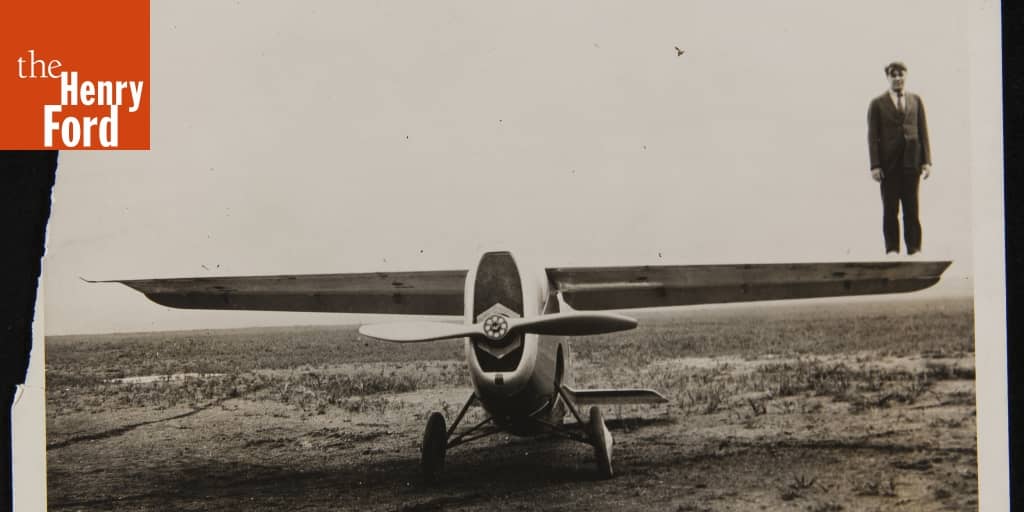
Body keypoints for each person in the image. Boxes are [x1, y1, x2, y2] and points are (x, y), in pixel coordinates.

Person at [867, 61, 931, 255]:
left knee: (912, 209)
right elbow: (872, 137)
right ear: (887, 77)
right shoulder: (877, 103)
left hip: (912, 163)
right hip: (889, 165)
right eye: (893, 75)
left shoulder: (916, 100)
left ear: (906, 76)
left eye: (901, 74)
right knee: (890, 210)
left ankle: (915, 249)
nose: (898, 78)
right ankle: (892, 250)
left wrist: (926, 161)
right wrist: (875, 165)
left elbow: (923, 131)